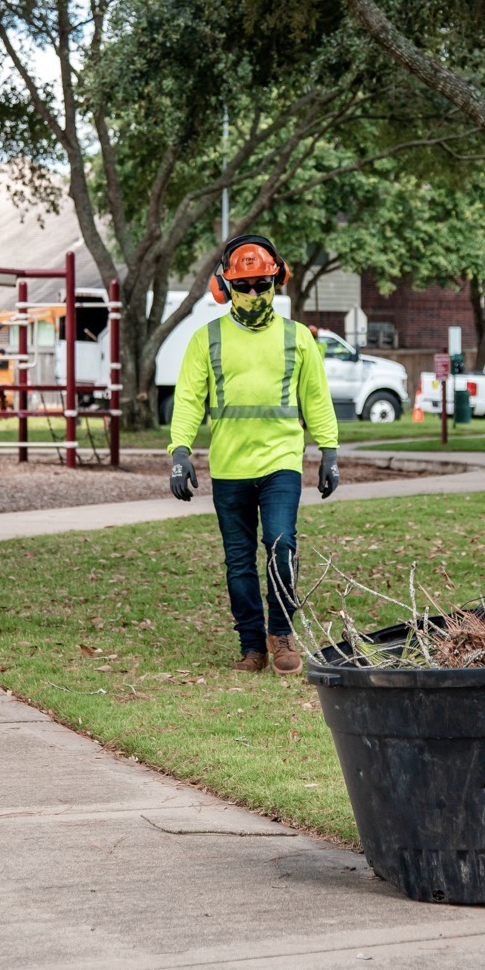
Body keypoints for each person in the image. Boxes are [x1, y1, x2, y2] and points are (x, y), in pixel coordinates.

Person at [168, 235, 340, 675]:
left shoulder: (297, 338)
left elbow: (317, 400)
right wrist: (180, 451)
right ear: (224, 287)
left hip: (281, 461)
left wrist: (329, 452)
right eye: (242, 286)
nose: (252, 294)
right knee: (239, 560)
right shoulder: (206, 339)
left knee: (281, 545)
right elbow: (188, 400)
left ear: (276, 281)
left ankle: (281, 636)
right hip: (229, 468)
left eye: (261, 284)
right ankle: (252, 647)